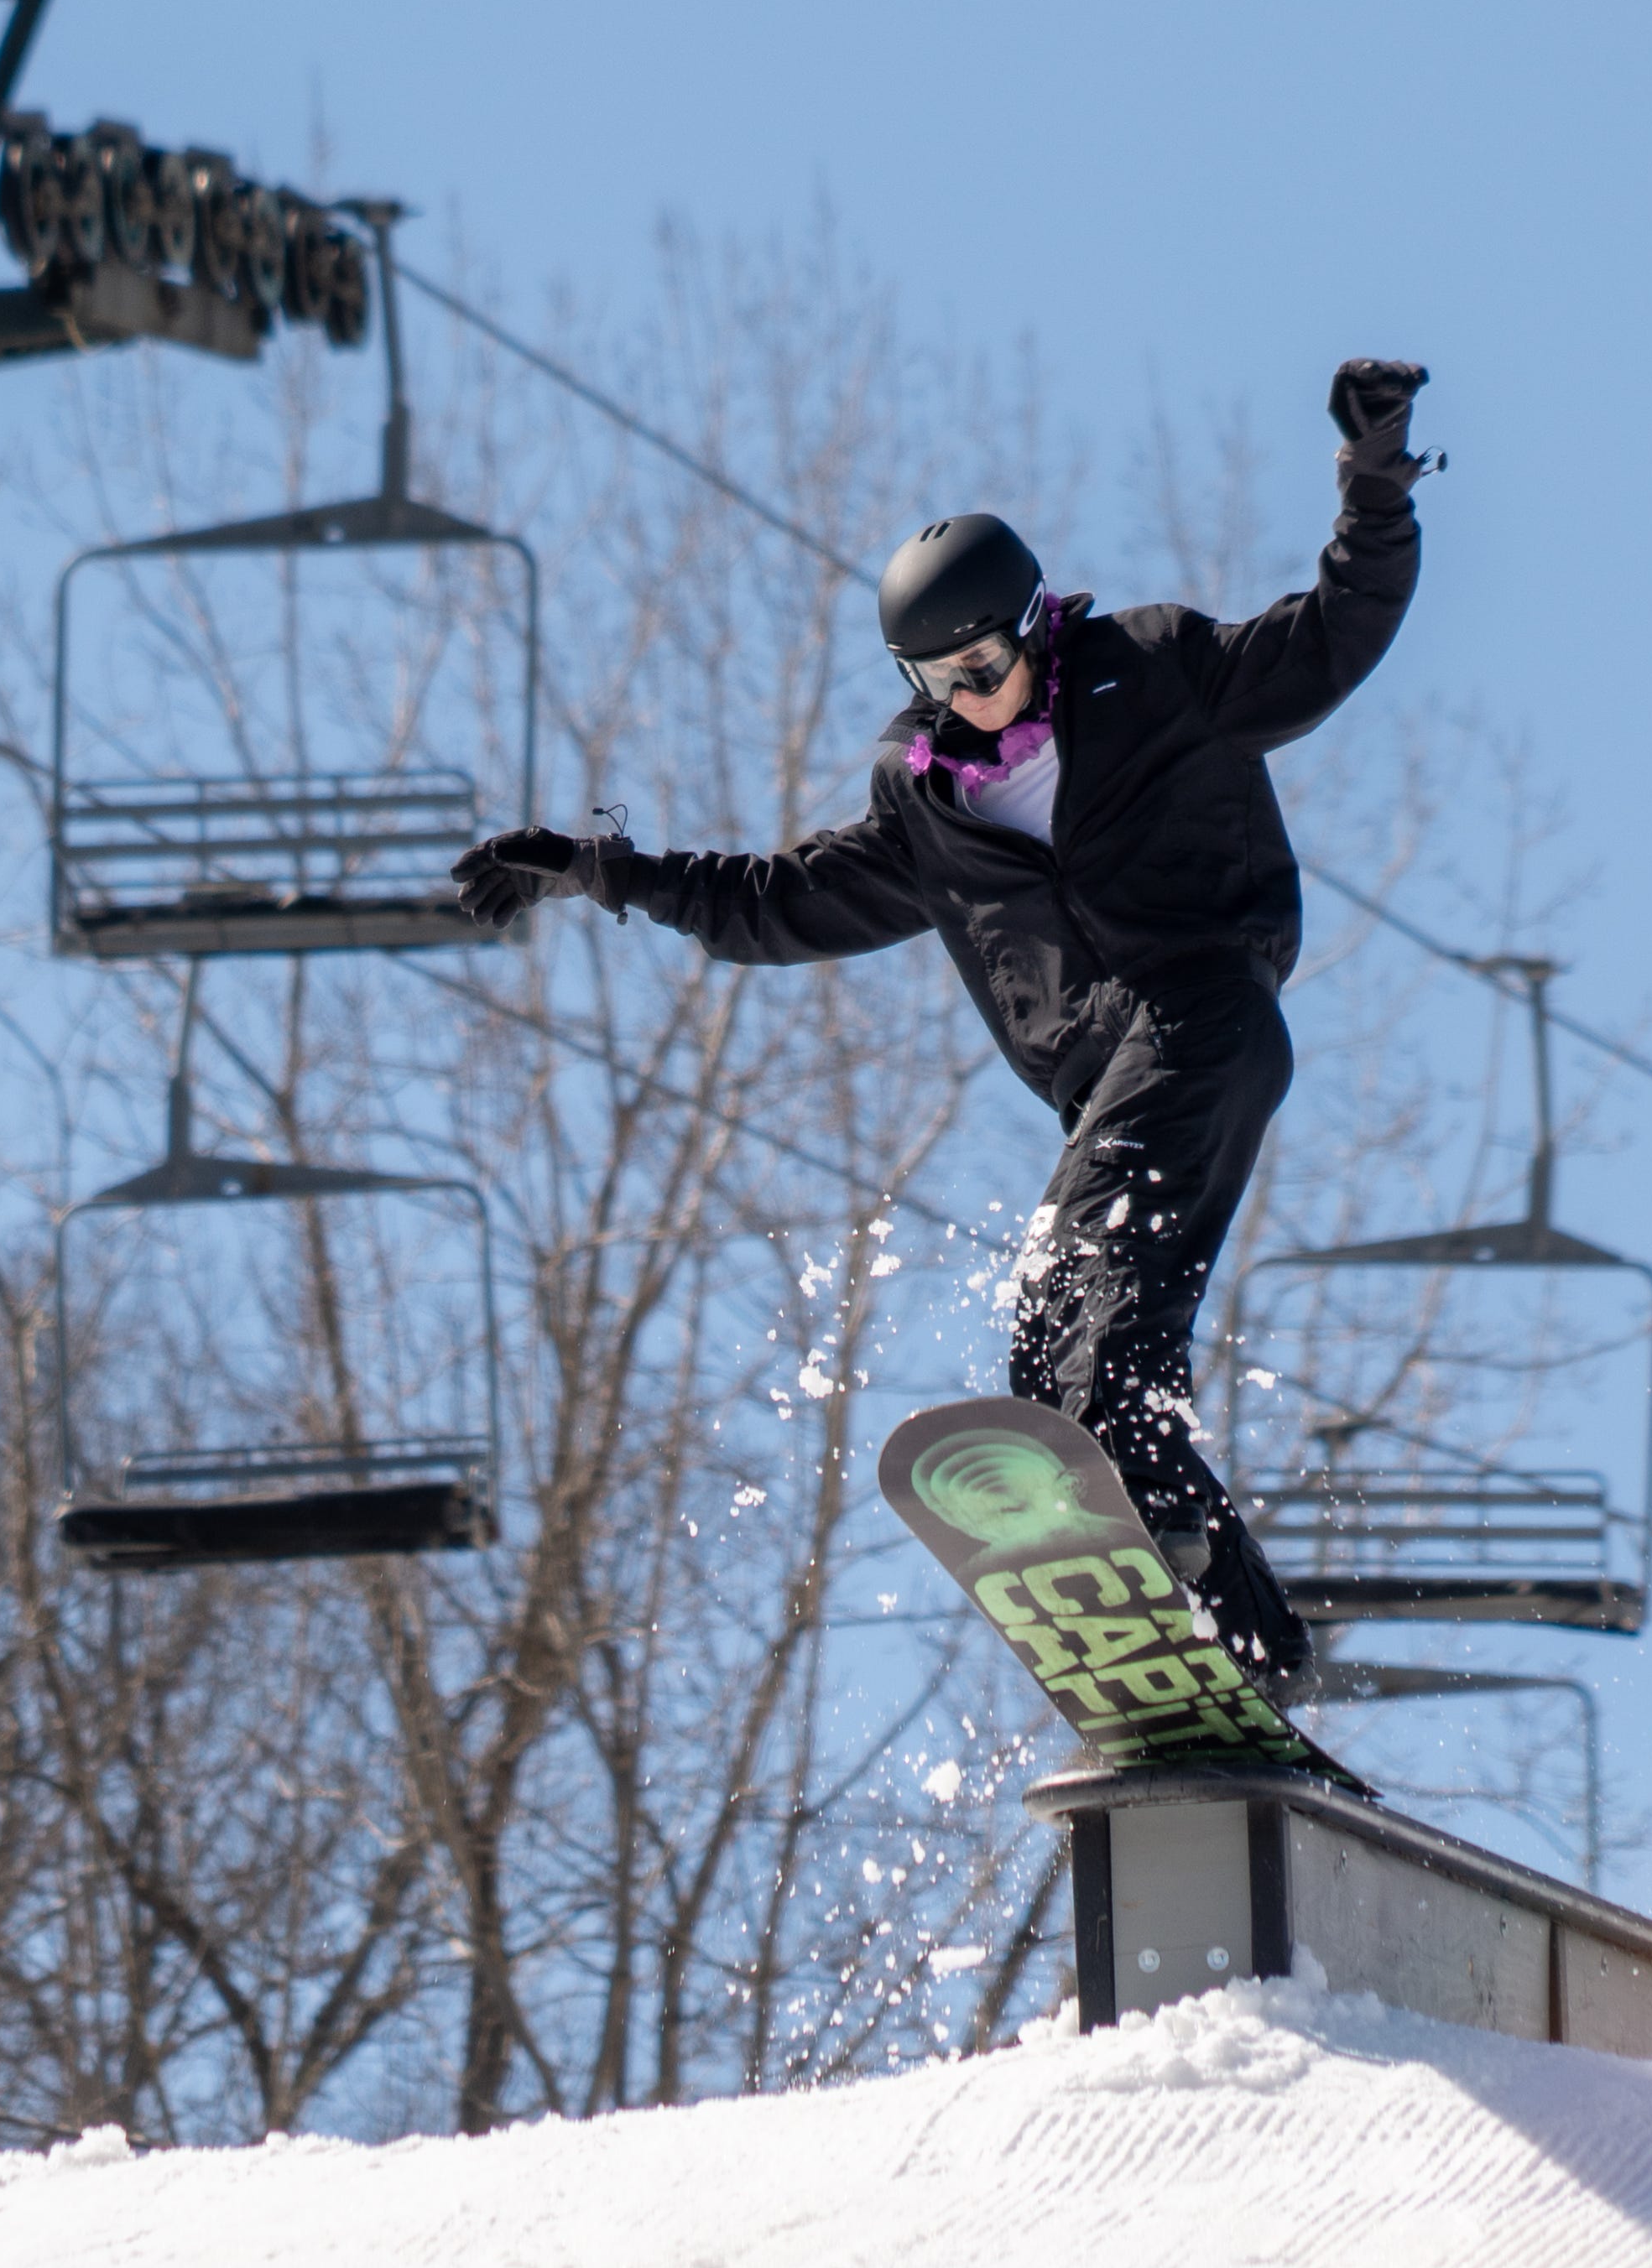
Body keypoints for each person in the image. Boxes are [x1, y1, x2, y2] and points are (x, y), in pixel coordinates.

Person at [453, 356, 1435, 1699]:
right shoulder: (924, 803)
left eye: (988, 661)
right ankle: (1249, 1641)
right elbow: (778, 901)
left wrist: (1371, 484)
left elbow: (1332, 635)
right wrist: (596, 868)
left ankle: (1178, 1556)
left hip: (1206, 1018)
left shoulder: (1152, 672)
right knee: (1046, 1355)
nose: (975, 694)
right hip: (1110, 1086)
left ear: (1037, 624)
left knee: (1101, 1307)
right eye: (940, 677)